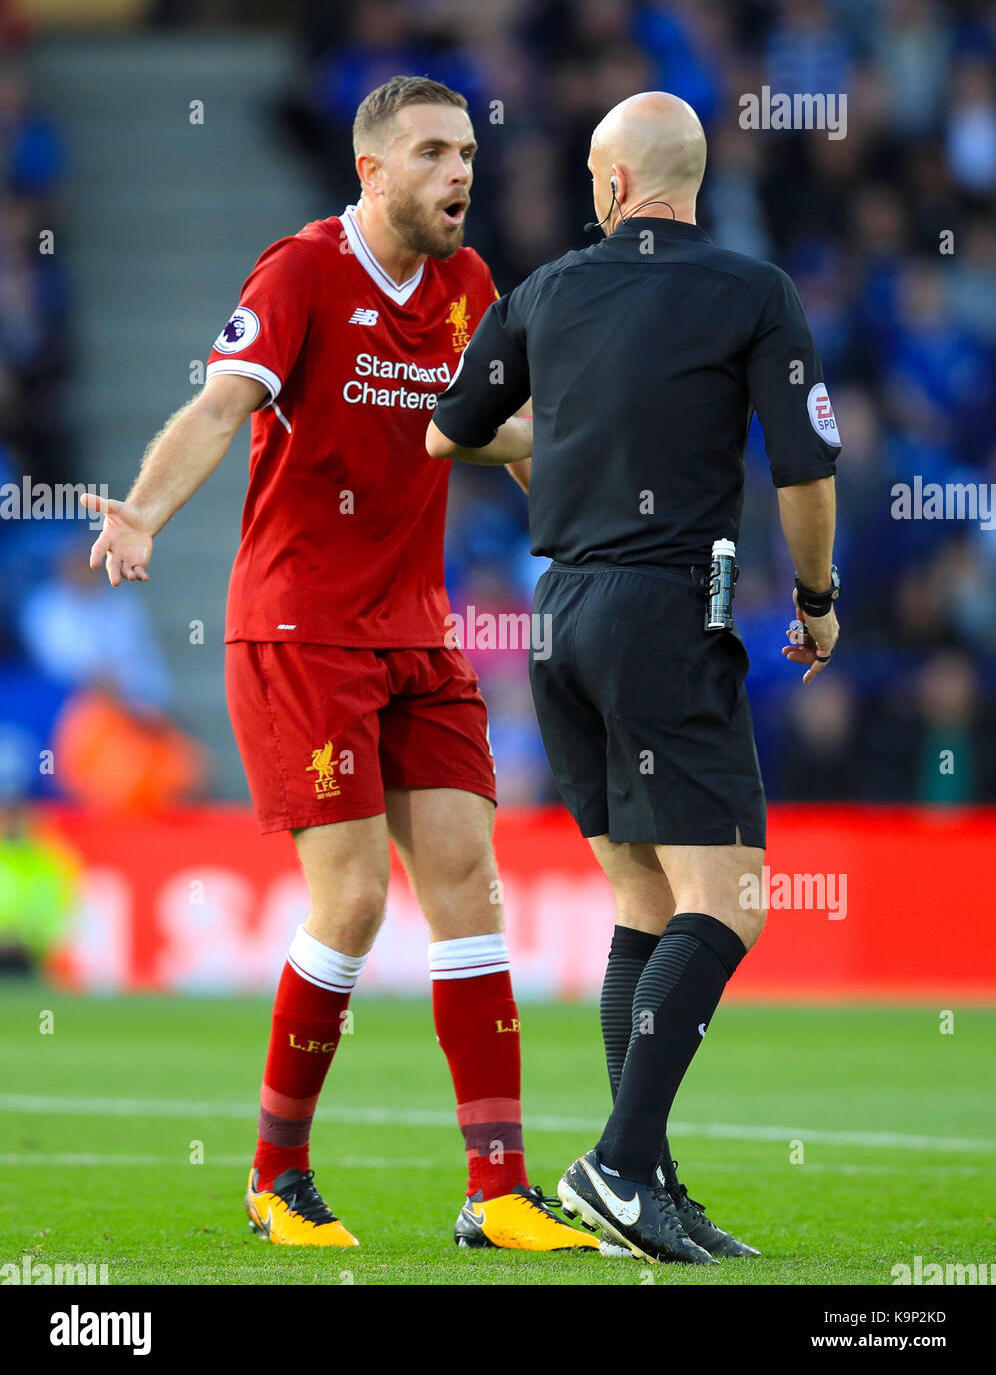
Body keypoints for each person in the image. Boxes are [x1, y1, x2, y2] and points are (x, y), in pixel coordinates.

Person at [83, 75, 596, 1256]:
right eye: (430, 153)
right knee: (357, 899)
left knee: (471, 879)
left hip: (418, 629)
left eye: (466, 151)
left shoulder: (472, 291)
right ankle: (276, 1177)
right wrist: (148, 511)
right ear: (371, 171)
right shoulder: (304, 271)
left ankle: (499, 1191)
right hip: (304, 626)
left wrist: (595, 517)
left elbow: (499, 428)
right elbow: (221, 404)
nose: (459, 171)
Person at [427, 91, 841, 1265]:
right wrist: (815, 600)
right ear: (691, 181)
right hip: (669, 609)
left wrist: (564, 450)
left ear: (610, 186)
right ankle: (616, 1164)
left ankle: (643, 1185)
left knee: (644, 903)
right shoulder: (753, 290)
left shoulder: (547, 290)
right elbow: (804, 469)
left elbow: (450, 430)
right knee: (732, 901)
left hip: (558, 616)